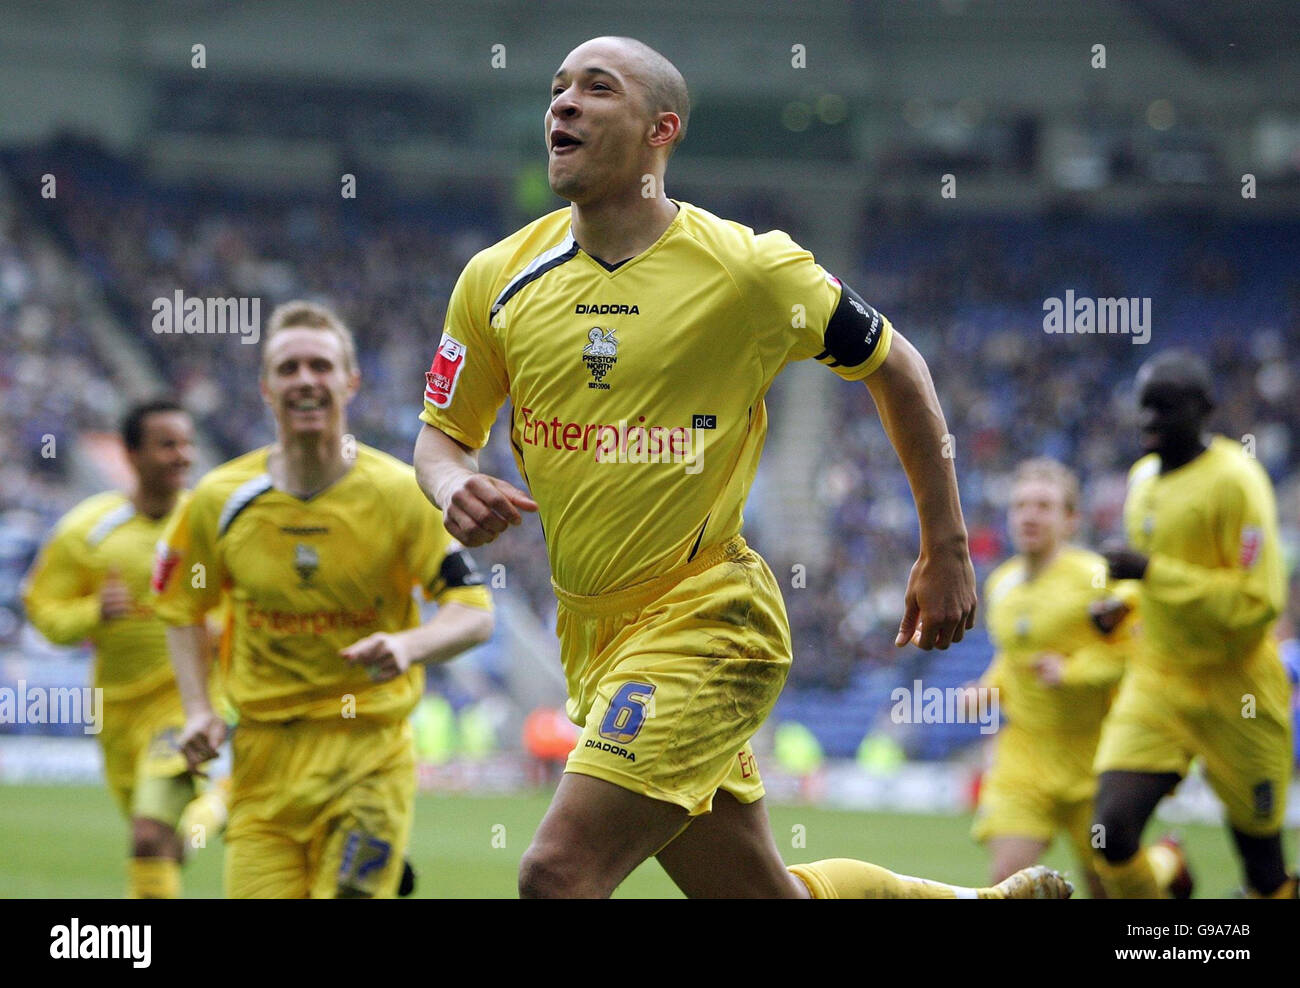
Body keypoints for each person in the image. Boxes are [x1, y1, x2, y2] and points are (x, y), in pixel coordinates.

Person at [412, 36, 1071, 899]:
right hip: (592, 636)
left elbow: (897, 366)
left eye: (595, 89)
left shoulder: (748, 269)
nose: (562, 104)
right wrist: (452, 481)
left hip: (708, 620)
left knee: (556, 874)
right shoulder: (496, 278)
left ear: (661, 130)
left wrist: (943, 546)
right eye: (557, 89)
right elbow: (438, 438)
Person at [153, 301, 494, 898]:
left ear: (350, 381)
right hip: (262, 763)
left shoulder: (399, 495)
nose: (305, 380)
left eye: (320, 365)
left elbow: (473, 612)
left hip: (368, 752)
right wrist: (199, 710)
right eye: (288, 369)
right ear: (265, 388)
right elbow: (183, 608)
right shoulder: (218, 500)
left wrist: (408, 644)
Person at [1094, 349, 1295, 898]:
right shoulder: (1141, 480)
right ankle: (1169, 905)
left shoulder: (1236, 483)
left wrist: (1151, 573)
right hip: (1158, 678)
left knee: (1264, 870)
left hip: (1239, 686)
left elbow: (1258, 602)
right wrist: (1123, 603)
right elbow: (1150, 586)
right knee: (1108, 834)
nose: (1148, 421)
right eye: (1143, 408)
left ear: (1204, 409)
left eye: (1164, 409)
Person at [23, 399, 223, 898]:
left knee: (148, 834)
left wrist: (221, 630)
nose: (183, 455)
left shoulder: (210, 524)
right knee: (161, 842)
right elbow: (45, 613)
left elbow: (247, 597)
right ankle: (218, 807)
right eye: (167, 444)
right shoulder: (86, 531)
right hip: (115, 714)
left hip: (185, 704)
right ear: (131, 454)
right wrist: (93, 612)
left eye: (187, 443)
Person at [971, 458, 1133, 898]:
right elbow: (1013, 658)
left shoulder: (1096, 580)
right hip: (1026, 755)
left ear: (1070, 520)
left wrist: (1073, 671)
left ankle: (1167, 865)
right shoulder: (1001, 586)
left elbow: (1135, 655)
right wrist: (986, 691)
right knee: (1008, 881)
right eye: (1021, 505)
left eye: (1044, 505)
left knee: (1105, 885)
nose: (1029, 515)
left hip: (1095, 757)